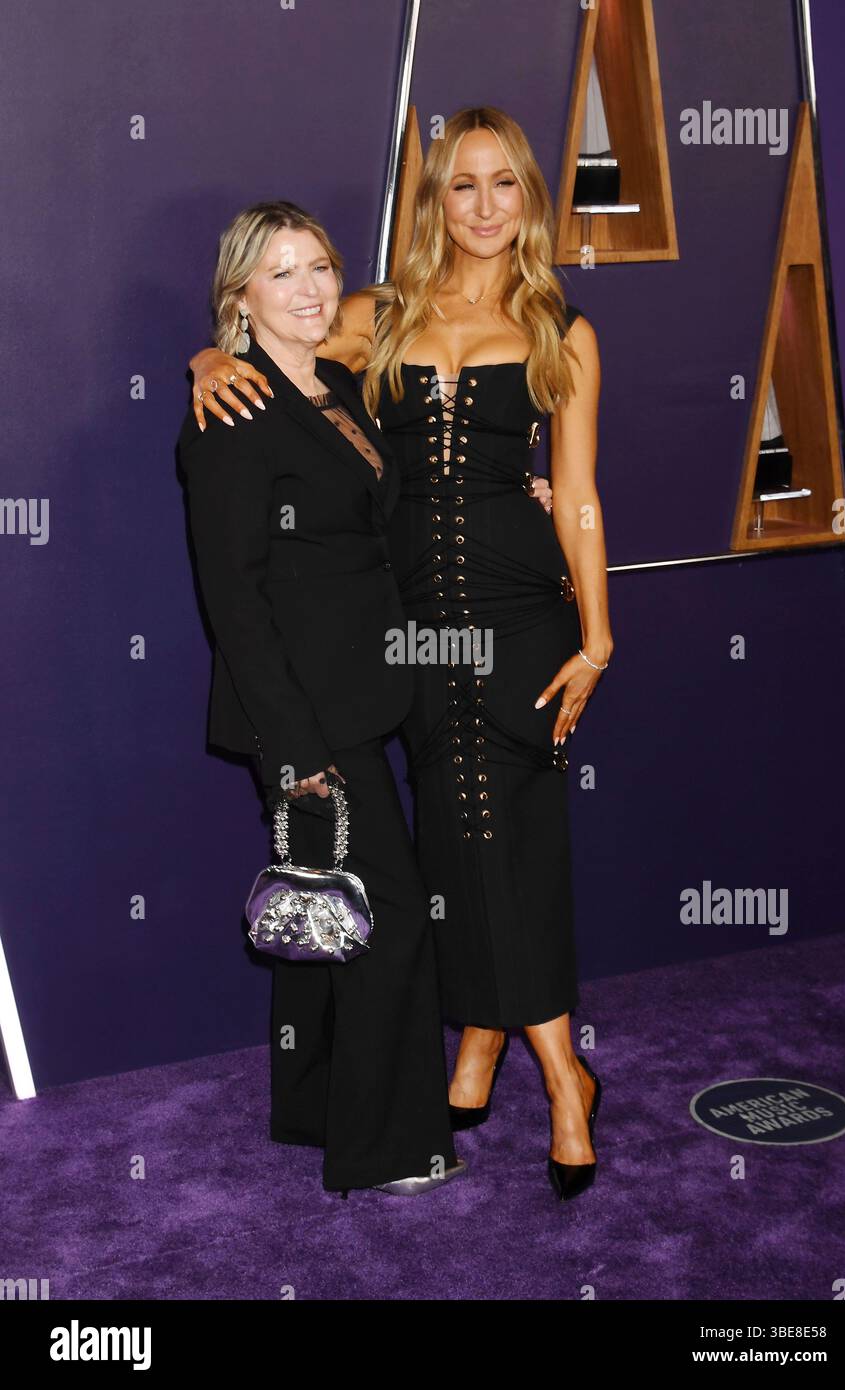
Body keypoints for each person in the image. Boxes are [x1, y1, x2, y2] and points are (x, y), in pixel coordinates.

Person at [187, 107, 612, 1200]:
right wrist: (202, 357)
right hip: (408, 631)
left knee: (514, 840)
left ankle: (560, 1076)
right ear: (435, 201)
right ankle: (478, 1044)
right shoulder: (378, 313)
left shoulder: (566, 332)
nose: (480, 207)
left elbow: (575, 494)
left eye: (501, 185)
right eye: (458, 186)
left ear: (528, 198)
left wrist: (598, 638)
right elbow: (268, 350)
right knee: (444, 851)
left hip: (519, 620)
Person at [176, 200, 465, 1197]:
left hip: (366, 684)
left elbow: (414, 291)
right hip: (303, 709)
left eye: (318, 267)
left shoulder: (336, 378)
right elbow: (234, 599)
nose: (308, 289)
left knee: (318, 909)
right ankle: (390, 1148)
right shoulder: (231, 414)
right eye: (280, 274)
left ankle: (310, 1106)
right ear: (238, 299)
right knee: (387, 915)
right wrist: (295, 745)